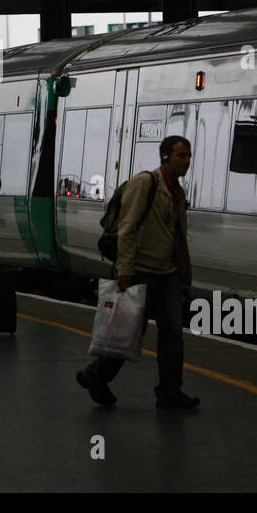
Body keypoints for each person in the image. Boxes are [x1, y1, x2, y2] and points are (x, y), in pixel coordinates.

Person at [77, 135, 200, 410]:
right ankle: (94, 376)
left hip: (167, 273)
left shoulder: (178, 193)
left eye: (189, 156)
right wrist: (125, 269)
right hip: (140, 271)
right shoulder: (145, 183)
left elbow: (179, 238)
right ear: (165, 157)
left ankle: (169, 392)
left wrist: (185, 277)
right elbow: (127, 228)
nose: (187, 161)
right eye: (182, 156)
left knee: (172, 335)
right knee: (129, 333)